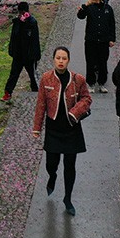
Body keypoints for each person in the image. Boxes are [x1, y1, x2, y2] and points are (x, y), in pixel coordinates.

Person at [33, 46, 92, 215]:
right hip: (53, 128)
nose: (61, 61)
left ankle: (68, 198)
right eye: (58, 58)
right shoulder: (46, 79)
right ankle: (52, 177)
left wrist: (75, 111)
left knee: (70, 165)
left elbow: (87, 98)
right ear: (53, 59)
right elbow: (41, 104)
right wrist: (37, 128)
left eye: (64, 58)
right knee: (51, 164)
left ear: (68, 60)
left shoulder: (77, 79)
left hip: (71, 128)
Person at [77, 0, 116, 92]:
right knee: (90, 62)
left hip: (103, 40)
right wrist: (85, 5)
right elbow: (80, 16)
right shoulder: (89, 6)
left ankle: (102, 83)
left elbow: (112, 24)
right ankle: (91, 83)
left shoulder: (108, 8)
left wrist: (112, 39)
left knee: (103, 62)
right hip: (91, 40)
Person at [1, 2, 41, 101]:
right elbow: (13, 37)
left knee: (33, 74)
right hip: (18, 54)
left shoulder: (32, 22)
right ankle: (8, 92)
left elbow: (34, 39)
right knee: (13, 74)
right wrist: (12, 51)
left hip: (29, 55)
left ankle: (36, 91)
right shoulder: (17, 22)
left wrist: (35, 55)